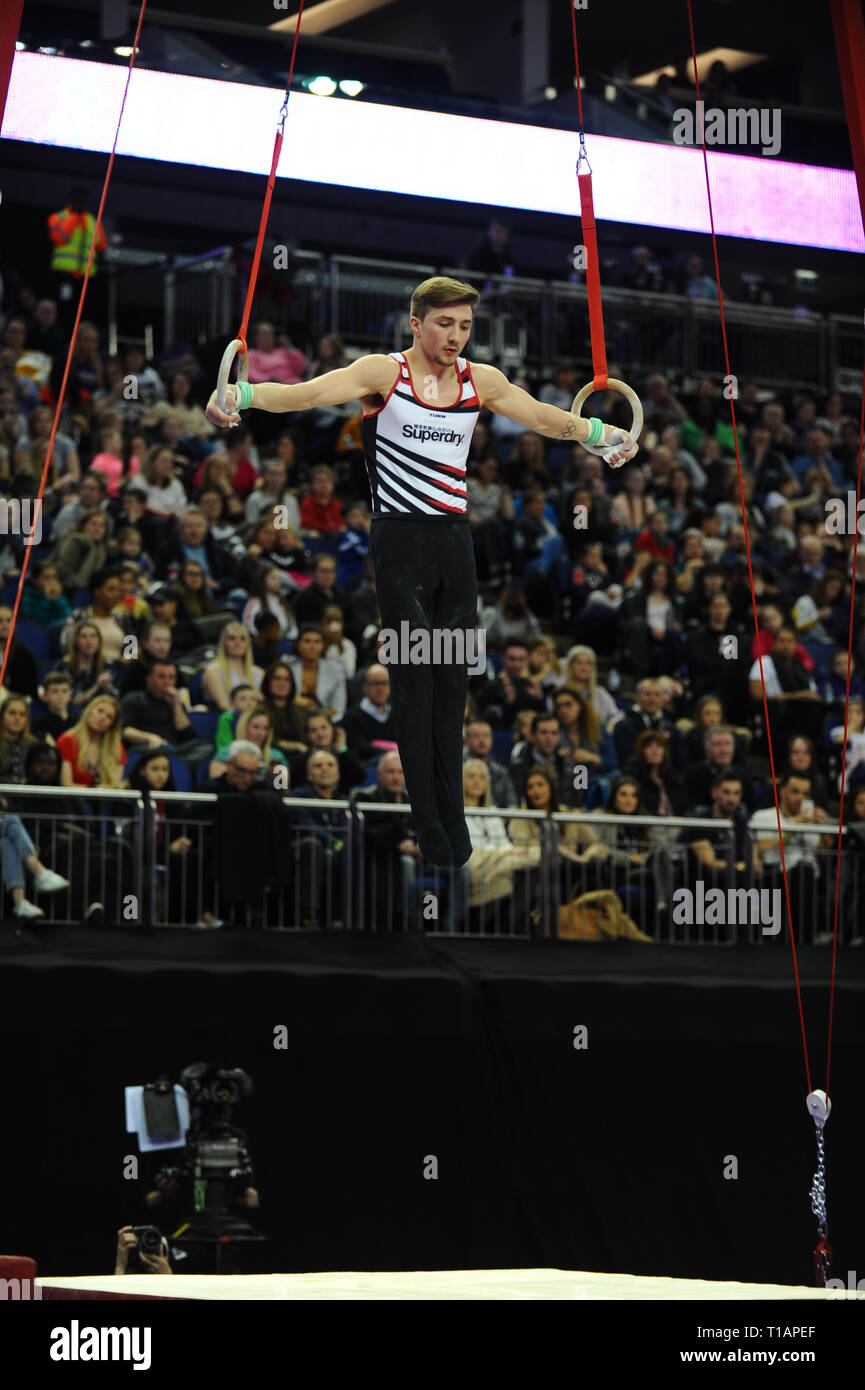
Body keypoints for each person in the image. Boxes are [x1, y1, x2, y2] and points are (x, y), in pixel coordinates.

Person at [206, 274, 635, 867]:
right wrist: (242, 396)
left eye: (465, 326)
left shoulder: (480, 381)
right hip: (400, 539)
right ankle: (426, 817)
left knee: (452, 678)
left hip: (454, 542)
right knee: (415, 674)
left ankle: (452, 812)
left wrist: (600, 432)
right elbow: (306, 394)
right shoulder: (385, 374)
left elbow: (541, 418)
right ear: (416, 323)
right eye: (445, 324)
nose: (456, 336)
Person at [57, 694, 127, 788]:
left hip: (105, 800)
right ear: (89, 711)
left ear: (111, 725)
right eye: (100, 711)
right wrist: (93, 790)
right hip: (73, 799)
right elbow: (67, 783)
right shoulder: (66, 741)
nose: (102, 718)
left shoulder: (117, 748)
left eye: (109, 717)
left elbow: (115, 785)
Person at [286, 624, 347, 721]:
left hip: (323, 722)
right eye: (307, 641)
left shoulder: (335, 672)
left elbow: (337, 710)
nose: (312, 646)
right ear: (298, 644)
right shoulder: (286, 667)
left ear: (323, 646)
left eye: (317, 642)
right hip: (290, 719)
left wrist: (321, 717)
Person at [201, 623, 263, 711]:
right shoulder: (213, 671)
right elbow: (223, 706)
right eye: (232, 638)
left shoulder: (259, 673)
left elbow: (262, 703)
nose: (237, 643)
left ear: (247, 644)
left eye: (242, 639)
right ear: (224, 643)